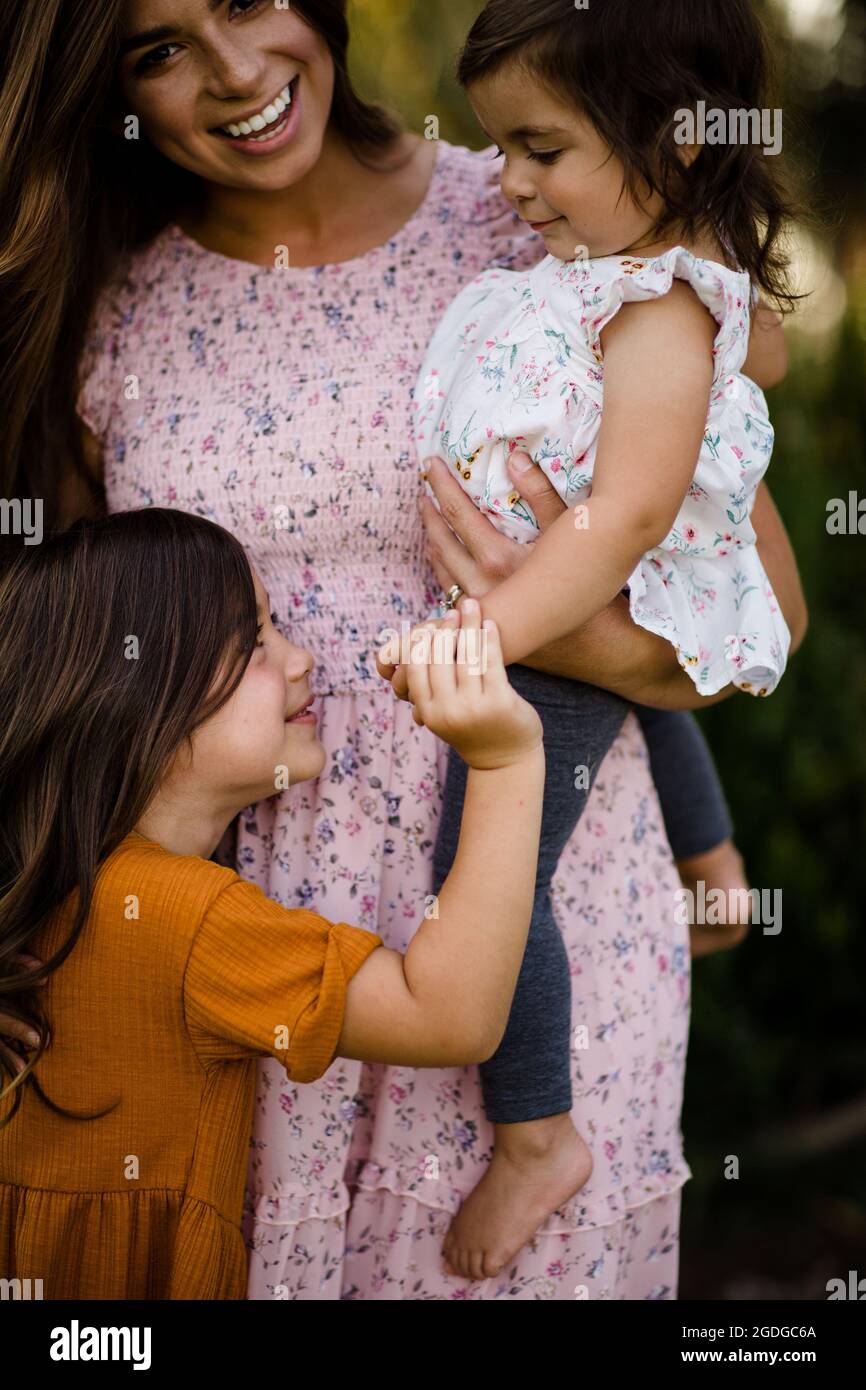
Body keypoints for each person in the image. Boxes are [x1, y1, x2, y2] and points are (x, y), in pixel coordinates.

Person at [0, 0, 807, 1299]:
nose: (236, 72)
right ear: (111, 89)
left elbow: (757, 607)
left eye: (249, 2)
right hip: (246, 947)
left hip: (541, 896)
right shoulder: (105, 313)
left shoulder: (544, 200)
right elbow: (80, 686)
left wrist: (568, 642)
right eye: (156, 49)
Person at [382, 0, 798, 1279]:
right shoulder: (622, 271)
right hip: (583, 606)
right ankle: (712, 863)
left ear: (669, 144)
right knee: (643, 671)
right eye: (499, 144)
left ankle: (535, 1133)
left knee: (486, 875)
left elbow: (619, 522)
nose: (504, 179)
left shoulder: (662, 304)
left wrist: (484, 633)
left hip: (549, 611)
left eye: (539, 148)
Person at [0, 508, 546, 1299]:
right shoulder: (188, 918)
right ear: (130, 699)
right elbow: (450, 1015)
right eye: (256, 641)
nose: (302, 660)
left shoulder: (51, 891)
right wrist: (505, 762)